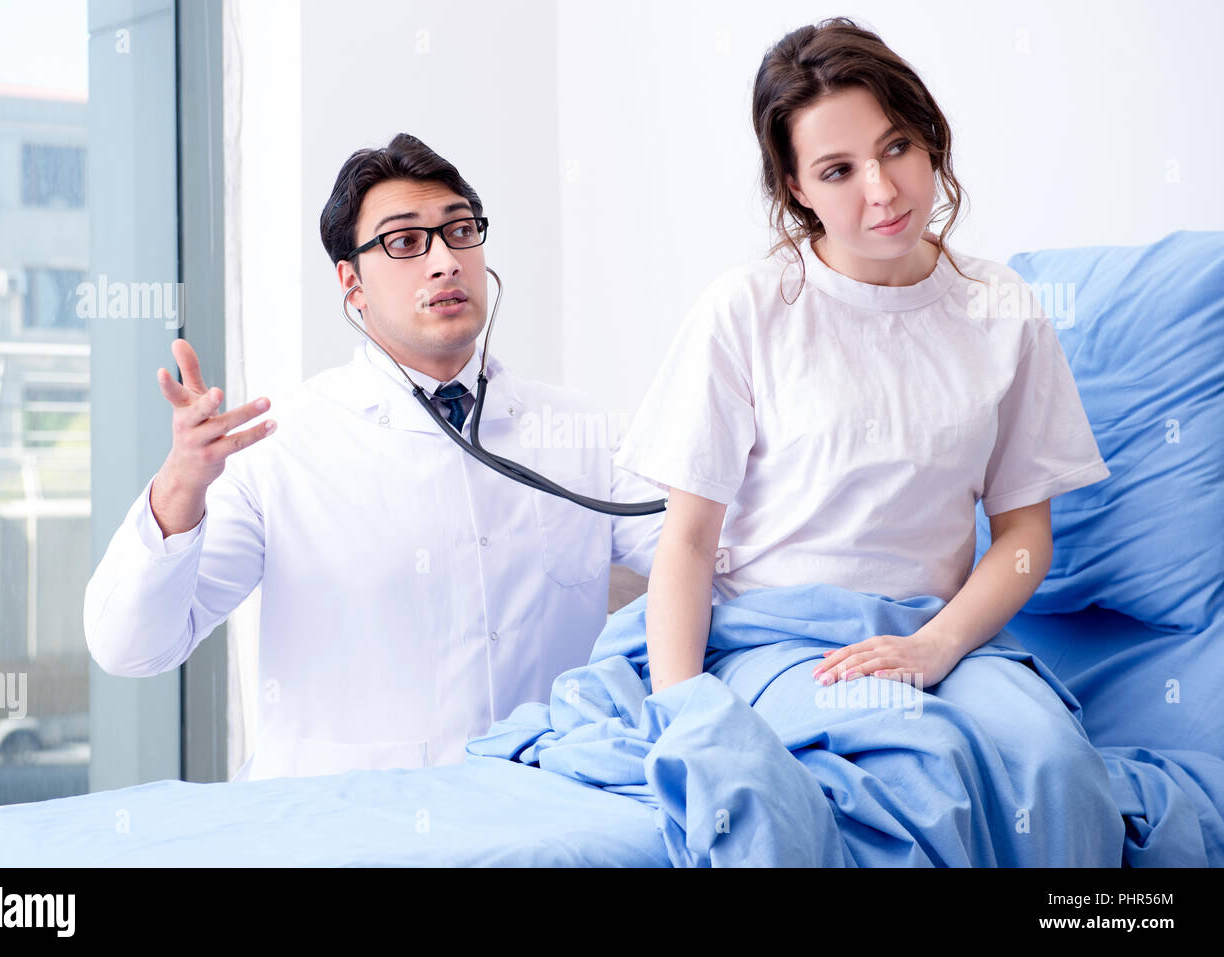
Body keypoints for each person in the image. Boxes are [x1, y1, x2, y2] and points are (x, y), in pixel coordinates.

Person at [84, 133, 663, 782]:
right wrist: (180, 486)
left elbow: (703, 554)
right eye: (405, 242)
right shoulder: (279, 448)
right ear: (352, 284)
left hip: (535, 825)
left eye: (460, 231)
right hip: (338, 833)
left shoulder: (577, 430)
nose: (444, 260)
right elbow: (130, 647)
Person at [616, 21, 1111, 701]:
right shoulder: (745, 309)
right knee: (908, 765)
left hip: (939, 636)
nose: (882, 191)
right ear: (795, 186)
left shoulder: (1002, 307)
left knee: (1050, 764)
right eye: (838, 170)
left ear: (928, 136)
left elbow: (1024, 535)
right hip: (771, 638)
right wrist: (686, 712)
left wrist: (934, 646)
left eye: (897, 147)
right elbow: (689, 542)